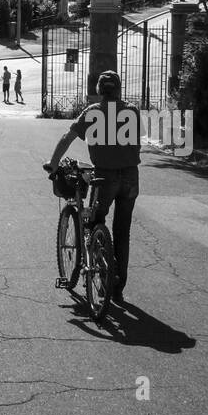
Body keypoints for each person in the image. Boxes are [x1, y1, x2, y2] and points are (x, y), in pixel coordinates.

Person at [42, 70, 139, 306]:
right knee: (122, 232)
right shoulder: (132, 111)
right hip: (130, 177)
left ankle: (102, 272)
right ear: (118, 89)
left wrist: (52, 164)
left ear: (99, 91)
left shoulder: (92, 113)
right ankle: (117, 287)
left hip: (104, 177)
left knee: (94, 221)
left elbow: (67, 138)